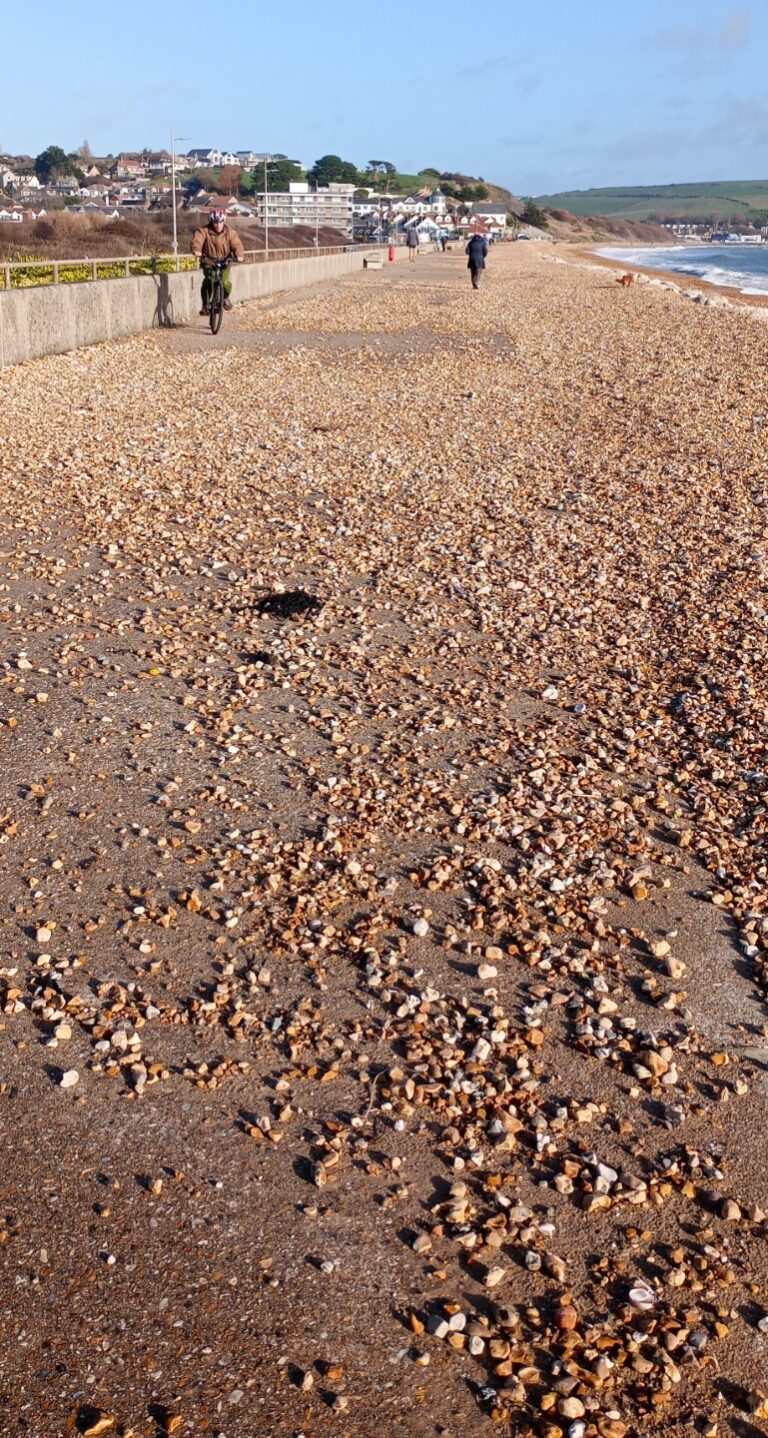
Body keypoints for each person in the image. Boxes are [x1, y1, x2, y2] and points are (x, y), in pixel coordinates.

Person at [191, 209, 245, 316]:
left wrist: (239, 255)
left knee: (224, 282)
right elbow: (197, 240)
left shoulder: (230, 233)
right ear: (212, 221)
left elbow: (237, 244)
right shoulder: (204, 230)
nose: (218, 225)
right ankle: (206, 305)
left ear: (224, 221)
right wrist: (197, 250)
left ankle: (225, 297)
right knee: (209, 280)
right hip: (209, 261)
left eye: (220, 222)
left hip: (224, 262)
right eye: (215, 222)